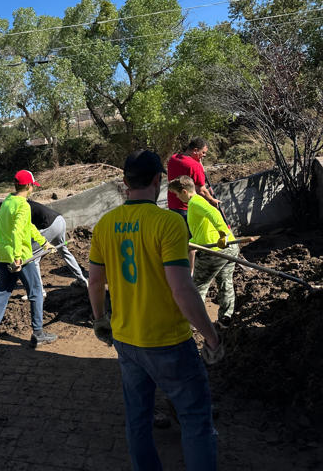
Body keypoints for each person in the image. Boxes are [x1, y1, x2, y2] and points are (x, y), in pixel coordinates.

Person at [88, 150, 223, 471]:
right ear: (158, 181)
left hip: (127, 341)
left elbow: (95, 282)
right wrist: (211, 336)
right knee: (195, 421)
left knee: (138, 420)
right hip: (169, 342)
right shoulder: (170, 222)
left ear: (124, 183)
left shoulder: (104, 225)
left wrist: (100, 321)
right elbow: (182, 288)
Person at [0, 170, 58, 349]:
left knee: (3, 292)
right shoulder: (23, 205)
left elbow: (28, 227)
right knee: (36, 292)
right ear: (28, 186)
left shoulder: (8, 201)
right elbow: (18, 232)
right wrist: (18, 257)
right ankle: (38, 333)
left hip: (3, 255)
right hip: (21, 257)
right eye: (33, 185)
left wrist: (44, 243)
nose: (33, 188)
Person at [169, 175, 238, 328]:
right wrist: (191, 243)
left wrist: (222, 234)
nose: (177, 198)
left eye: (177, 194)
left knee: (198, 286)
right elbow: (201, 231)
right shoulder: (197, 202)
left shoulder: (195, 202)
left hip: (215, 250)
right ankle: (225, 319)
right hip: (230, 247)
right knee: (225, 282)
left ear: (184, 192)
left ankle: (194, 323)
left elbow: (214, 213)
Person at [167, 137, 221, 220]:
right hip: (187, 207)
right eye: (203, 152)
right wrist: (212, 200)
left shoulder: (173, 158)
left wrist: (198, 161)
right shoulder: (194, 166)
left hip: (172, 205)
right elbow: (201, 190)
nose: (204, 155)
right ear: (195, 150)